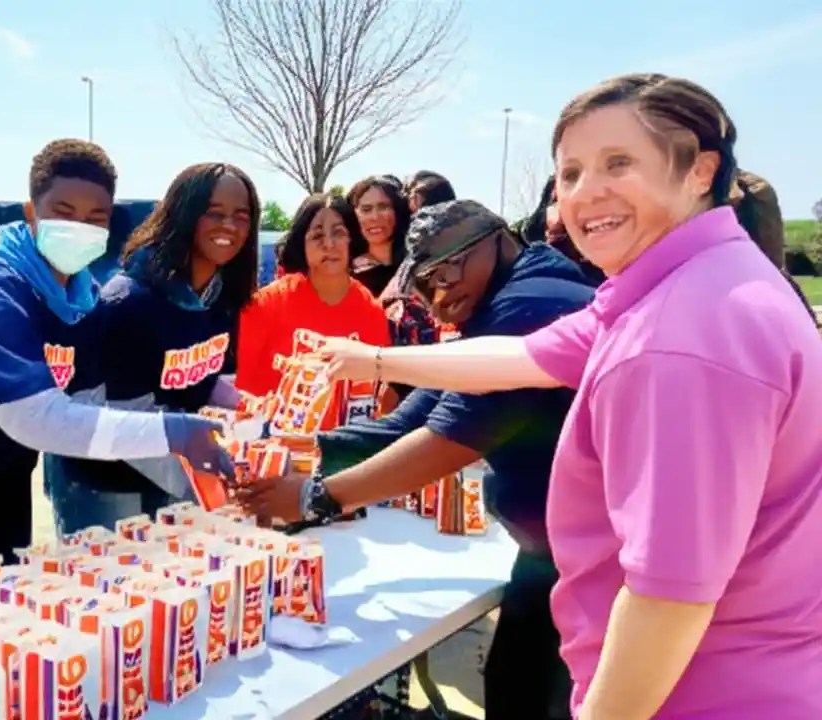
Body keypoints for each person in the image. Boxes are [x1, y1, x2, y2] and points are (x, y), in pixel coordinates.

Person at [313, 73, 822, 719]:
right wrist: (374, 359)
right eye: (571, 173)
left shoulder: (680, 338)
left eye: (619, 163)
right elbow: (525, 356)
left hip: (699, 692)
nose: (587, 194)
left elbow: (671, 594)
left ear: (700, 169)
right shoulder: (692, 281)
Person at [239, 199, 593, 718]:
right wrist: (307, 451)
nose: (439, 298)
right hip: (552, 547)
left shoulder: (528, 305)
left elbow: (450, 439)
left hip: (592, 557)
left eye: (444, 274)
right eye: (424, 287)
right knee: (513, 684)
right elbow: (411, 419)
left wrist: (317, 497)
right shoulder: (496, 304)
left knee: (541, 699)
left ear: (494, 241)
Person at [0, 140, 233, 599]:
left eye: (96, 218)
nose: (80, 227)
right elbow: (34, 418)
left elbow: (88, 403)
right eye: (64, 211)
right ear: (32, 213)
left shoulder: (82, 299)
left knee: (3, 636)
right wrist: (174, 433)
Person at [46, 162, 261, 534]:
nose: (229, 225)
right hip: (103, 476)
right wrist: (203, 478)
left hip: (169, 463)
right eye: (214, 212)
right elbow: (115, 410)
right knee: (112, 586)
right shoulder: (128, 302)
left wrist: (252, 408)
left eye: (241, 216)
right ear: (184, 213)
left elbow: (197, 379)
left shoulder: (221, 299)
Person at [235, 193, 389, 429]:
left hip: (345, 447)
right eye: (317, 235)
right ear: (301, 245)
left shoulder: (371, 310)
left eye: (339, 233)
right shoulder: (268, 303)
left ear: (352, 240)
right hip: (272, 445)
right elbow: (239, 387)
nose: (329, 244)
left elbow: (378, 391)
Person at [346, 175, 412, 296]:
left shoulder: (416, 266)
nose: (375, 217)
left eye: (383, 207)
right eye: (366, 209)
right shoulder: (345, 274)